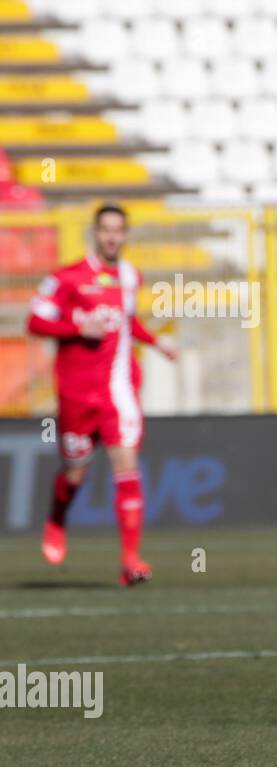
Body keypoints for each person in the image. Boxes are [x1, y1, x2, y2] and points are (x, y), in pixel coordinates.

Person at [27, 202, 177, 586]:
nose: (112, 236)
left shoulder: (130, 276)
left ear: (126, 235)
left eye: (119, 230)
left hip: (118, 388)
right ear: (95, 233)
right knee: (75, 472)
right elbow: (35, 321)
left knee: (126, 466)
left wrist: (157, 342)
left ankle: (131, 561)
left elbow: (127, 323)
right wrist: (77, 329)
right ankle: (58, 516)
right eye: (106, 229)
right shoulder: (66, 278)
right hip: (77, 395)